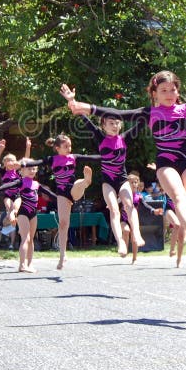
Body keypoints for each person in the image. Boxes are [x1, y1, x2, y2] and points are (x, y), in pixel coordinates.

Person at [68, 70, 186, 274]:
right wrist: (87, 108)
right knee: (179, 196)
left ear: (178, 91)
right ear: (155, 93)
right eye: (163, 90)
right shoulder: (149, 113)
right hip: (166, 164)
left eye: (173, 89)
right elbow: (118, 113)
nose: (169, 93)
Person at [61, 84, 145, 258]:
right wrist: (72, 101)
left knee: (129, 205)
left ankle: (136, 234)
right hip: (107, 182)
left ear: (120, 125)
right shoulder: (100, 138)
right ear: (104, 126)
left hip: (122, 180)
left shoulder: (124, 138)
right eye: (110, 123)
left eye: (116, 123)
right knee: (114, 210)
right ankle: (120, 242)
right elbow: (84, 117)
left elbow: (142, 122)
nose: (114, 126)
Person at [31, 134, 98, 270]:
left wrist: (109, 156)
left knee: (79, 184)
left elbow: (92, 157)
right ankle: (62, 256)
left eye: (70, 146)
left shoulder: (73, 157)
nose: (69, 148)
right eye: (66, 146)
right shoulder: (52, 159)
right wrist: (21, 164)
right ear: (57, 148)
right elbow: (37, 162)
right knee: (63, 224)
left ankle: (86, 181)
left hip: (73, 189)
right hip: (62, 194)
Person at [0, 159, 57, 272]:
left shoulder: (36, 184)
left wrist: (63, 199)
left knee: (31, 239)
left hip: (33, 213)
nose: (32, 171)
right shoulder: (21, 182)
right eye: (29, 169)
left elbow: (49, 194)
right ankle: (22, 265)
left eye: (34, 169)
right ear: (22, 171)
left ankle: (30, 264)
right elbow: (8, 185)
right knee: (25, 238)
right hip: (23, 212)